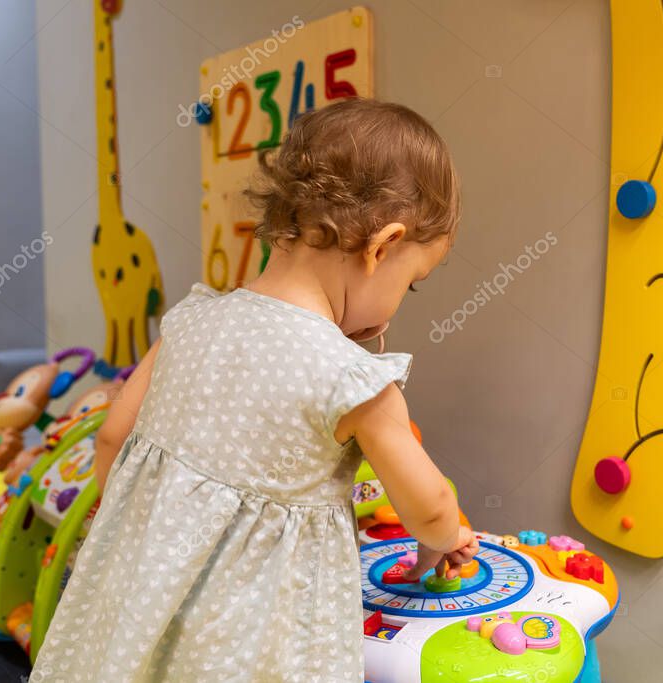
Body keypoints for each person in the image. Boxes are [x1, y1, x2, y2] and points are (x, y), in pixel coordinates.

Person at [32, 98, 478, 682]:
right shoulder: (356, 379)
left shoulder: (192, 321)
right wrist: (449, 539)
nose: (399, 305)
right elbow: (432, 506)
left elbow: (115, 437)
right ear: (382, 248)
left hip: (141, 612)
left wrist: (145, 541)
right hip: (251, 649)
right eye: (411, 283)